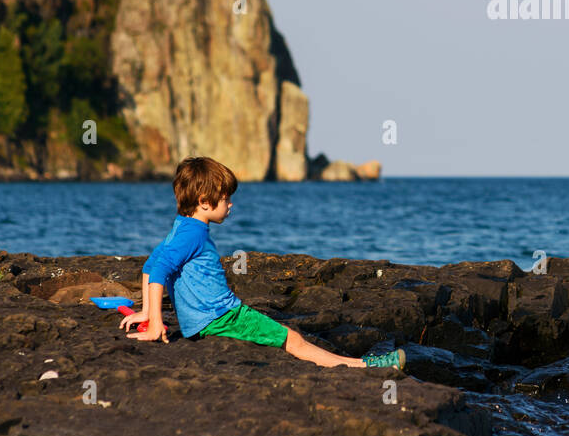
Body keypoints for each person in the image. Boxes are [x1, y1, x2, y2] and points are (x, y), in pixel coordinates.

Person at [124, 155, 405, 370]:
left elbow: (152, 264)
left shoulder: (181, 227)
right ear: (204, 202)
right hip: (223, 317)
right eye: (225, 198)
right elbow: (159, 269)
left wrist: (148, 312)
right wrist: (155, 324)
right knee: (292, 339)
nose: (230, 204)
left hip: (206, 320)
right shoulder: (194, 233)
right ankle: (363, 366)